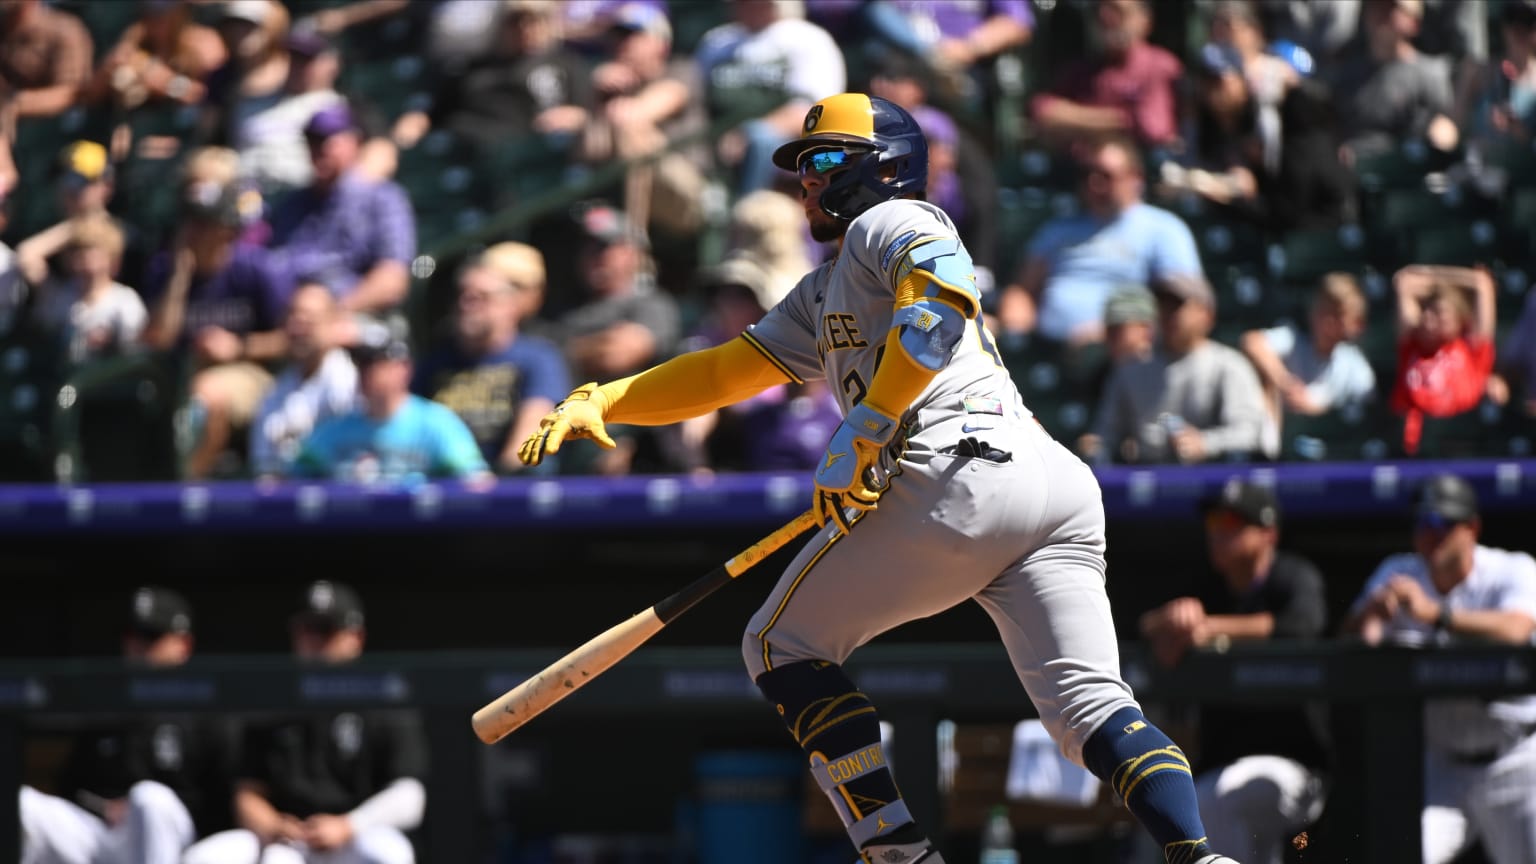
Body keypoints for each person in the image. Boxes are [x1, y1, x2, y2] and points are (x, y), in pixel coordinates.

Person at [516, 92, 1242, 864]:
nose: (807, 181)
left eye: (825, 161)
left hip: (960, 467)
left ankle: (895, 851)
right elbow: (728, 369)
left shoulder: (894, 220)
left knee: (779, 643)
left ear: (885, 167)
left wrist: (865, 428)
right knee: (1088, 707)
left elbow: (938, 311)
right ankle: (1198, 854)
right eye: (801, 167)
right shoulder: (824, 286)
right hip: (1048, 486)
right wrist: (612, 397)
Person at [1341, 473, 1536, 864]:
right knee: (1407, 853)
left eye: (1439, 524)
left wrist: (1436, 615)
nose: (1428, 535)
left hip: (1515, 759)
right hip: (1443, 766)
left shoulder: (1511, 569)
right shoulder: (1398, 572)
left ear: (1471, 528)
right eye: (1421, 524)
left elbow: (1516, 629)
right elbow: (1350, 642)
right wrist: (1370, 617)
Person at [1140, 480, 1330, 864]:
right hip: (1220, 764)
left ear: (1268, 532)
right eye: (1213, 523)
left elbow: (1303, 624)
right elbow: (1142, 624)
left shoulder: (1292, 577)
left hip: (1296, 768)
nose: (1218, 534)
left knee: (1218, 799)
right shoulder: (1208, 585)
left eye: (1231, 523)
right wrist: (1169, 621)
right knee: (1165, 820)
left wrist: (1212, 628)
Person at [183, 581, 428, 864]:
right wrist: (273, 825)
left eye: (324, 630)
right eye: (305, 629)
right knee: (203, 858)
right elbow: (248, 793)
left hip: (355, 834)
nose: (313, 640)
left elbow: (411, 796)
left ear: (356, 637)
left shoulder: (382, 698)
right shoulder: (275, 700)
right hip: (289, 839)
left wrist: (348, 825)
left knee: (391, 853)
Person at [19, 587, 232, 864]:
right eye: (132, 636)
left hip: (179, 844)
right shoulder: (108, 705)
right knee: (23, 804)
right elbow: (71, 786)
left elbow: (219, 799)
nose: (138, 646)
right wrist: (104, 807)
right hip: (107, 834)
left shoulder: (203, 709)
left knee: (150, 799)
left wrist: (136, 809)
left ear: (184, 645)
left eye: (151, 636)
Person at [141, 165, 288, 479]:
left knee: (209, 394)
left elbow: (290, 338)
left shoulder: (255, 268)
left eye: (203, 222)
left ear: (226, 228)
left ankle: (187, 490)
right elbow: (158, 340)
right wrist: (179, 279)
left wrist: (238, 347)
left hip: (251, 373)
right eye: (190, 220)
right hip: (178, 375)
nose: (194, 230)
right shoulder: (164, 269)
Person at [996, 136, 1204, 348]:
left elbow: (1184, 303)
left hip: (1126, 354)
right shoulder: (1058, 229)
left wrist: (1111, 332)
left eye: (1105, 176)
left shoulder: (1164, 228)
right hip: (1050, 349)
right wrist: (1015, 321)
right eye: (1088, 174)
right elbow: (1022, 288)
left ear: (1135, 178)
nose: (1094, 184)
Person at [412, 248, 569, 473]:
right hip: (442, 485)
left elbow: (533, 432)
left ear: (509, 306)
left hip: (508, 486)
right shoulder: (434, 363)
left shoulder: (538, 357)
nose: (466, 305)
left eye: (481, 297)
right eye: (462, 295)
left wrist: (492, 489)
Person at [288, 314, 491, 485]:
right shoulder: (336, 429)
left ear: (403, 368)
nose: (364, 372)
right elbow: (289, 485)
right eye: (360, 364)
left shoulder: (435, 424)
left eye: (374, 362)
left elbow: (478, 483)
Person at [1085, 275, 1267, 464]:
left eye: (1177, 306)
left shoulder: (1229, 366)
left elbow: (1250, 434)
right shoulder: (1131, 370)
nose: (1168, 313)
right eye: (1163, 305)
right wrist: (1097, 445)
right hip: (1148, 480)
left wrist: (1205, 443)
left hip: (1214, 482)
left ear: (1206, 314)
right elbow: (1106, 434)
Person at [266, 103, 416, 313]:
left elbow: (392, 280)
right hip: (290, 320)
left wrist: (331, 315)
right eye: (313, 141)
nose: (320, 149)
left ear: (356, 142)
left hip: (351, 320)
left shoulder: (383, 198)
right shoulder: (291, 204)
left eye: (329, 140)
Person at [1240, 273, 1376, 457]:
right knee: (1261, 380)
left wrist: (1316, 409)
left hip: (1333, 454)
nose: (1328, 322)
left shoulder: (1356, 367)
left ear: (1355, 323)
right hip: (1284, 449)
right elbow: (1252, 341)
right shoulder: (1294, 339)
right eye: (1323, 311)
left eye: (1337, 315)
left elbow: (1365, 418)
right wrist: (1285, 382)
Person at [1029, 0, 1182, 151]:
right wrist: (1116, 119)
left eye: (1117, 10)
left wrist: (1074, 119)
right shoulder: (1085, 69)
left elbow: (1153, 129)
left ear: (1144, 21)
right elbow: (1042, 111)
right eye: (1099, 11)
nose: (1106, 18)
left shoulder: (1160, 65)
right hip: (1083, 165)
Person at [249, 280, 359, 481]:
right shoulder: (276, 391)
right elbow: (264, 473)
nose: (297, 327)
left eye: (308, 320)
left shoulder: (351, 384)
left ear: (333, 323)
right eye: (292, 318)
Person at [1390, 263, 1497, 455]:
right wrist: (1433, 278)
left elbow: (1482, 284)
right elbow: (1404, 282)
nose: (1428, 319)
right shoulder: (1412, 346)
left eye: (1439, 313)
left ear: (1459, 319)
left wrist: (1436, 276)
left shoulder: (1472, 350)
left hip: (1462, 444)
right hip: (1414, 447)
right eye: (1426, 311)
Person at [25, 212, 147, 367]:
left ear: (112, 259)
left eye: (90, 250)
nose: (83, 259)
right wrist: (75, 225)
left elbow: (134, 358)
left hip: (101, 385)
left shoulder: (125, 302)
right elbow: (27, 254)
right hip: (60, 384)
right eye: (77, 251)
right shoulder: (60, 296)